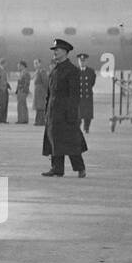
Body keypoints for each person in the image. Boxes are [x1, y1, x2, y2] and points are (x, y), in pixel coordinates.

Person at [42, 38, 87, 177]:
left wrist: (72, 114)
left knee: (71, 141)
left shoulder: (72, 70)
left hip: (65, 112)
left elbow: (74, 95)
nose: (55, 52)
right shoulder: (55, 70)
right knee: (54, 140)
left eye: (57, 50)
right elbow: (50, 93)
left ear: (66, 52)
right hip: (53, 112)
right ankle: (57, 168)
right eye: (54, 50)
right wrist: (47, 111)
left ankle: (80, 168)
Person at [75, 53, 96, 132]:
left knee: (88, 114)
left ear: (86, 62)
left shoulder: (91, 71)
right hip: (78, 96)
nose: (82, 62)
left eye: (83, 61)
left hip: (87, 96)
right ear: (78, 61)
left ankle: (86, 127)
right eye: (81, 61)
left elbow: (92, 83)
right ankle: (77, 128)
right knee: (78, 114)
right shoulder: (75, 71)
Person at [32, 58, 49, 127]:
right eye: (34, 63)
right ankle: (38, 120)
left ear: (40, 63)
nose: (35, 65)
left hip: (41, 91)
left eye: (36, 63)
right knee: (38, 107)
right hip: (37, 91)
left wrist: (45, 91)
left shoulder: (42, 71)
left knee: (41, 106)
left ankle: (40, 121)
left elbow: (45, 82)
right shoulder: (37, 71)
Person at [0, 59, 11, 124]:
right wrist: (0, 88)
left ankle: (3, 119)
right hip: (0, 90)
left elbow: (4, 80)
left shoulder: (3, 70)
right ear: (3, 63)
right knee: (1, 105)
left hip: (4, 89)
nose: (6, 65)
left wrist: (7, 84)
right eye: (6, 63)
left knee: (4, 105)